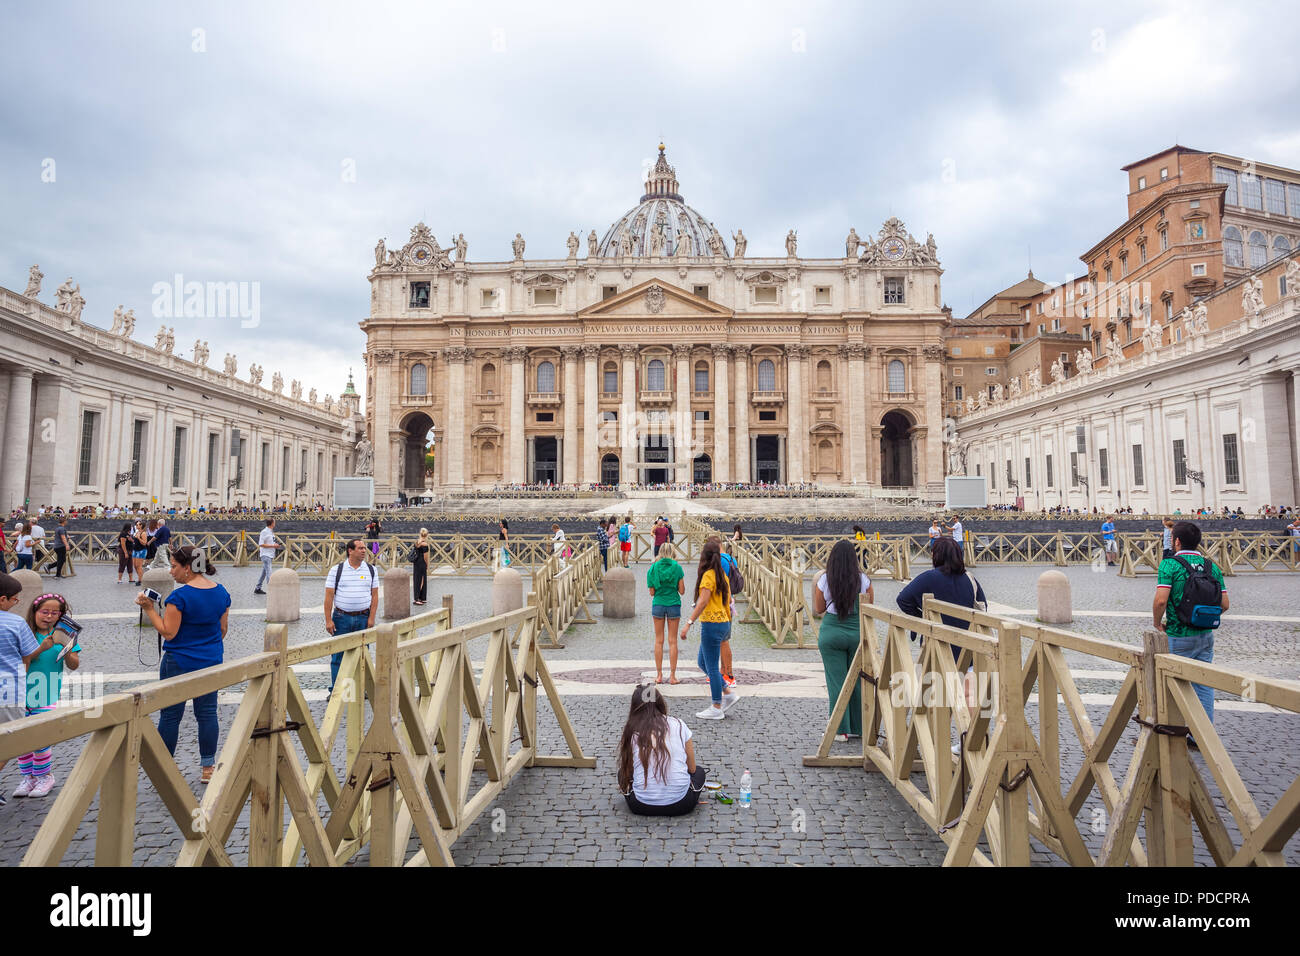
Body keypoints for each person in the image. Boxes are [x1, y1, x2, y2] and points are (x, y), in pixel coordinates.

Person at [135, 545, 231, 784]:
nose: (170, 571)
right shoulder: (221, 592)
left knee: (170, 715)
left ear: (187, 568)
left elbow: (168, 633)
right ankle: (208, 767)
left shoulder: (179, 597)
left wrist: (149, 609)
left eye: (175, 566)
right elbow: (222, 630)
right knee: (207, 713)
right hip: (210, 659)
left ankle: (163, 767)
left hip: (178, 660)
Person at [896, 537, 987, 739]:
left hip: (936, 648)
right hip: (967, 648)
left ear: (936, 555)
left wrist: (923, 620)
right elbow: (983, 609)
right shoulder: (970, 579)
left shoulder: (929, 578)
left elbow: (903, 599)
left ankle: (932, 745)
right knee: (970, 697)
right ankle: (973, 743)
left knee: (930, 697)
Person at [1154, 521, 1229, 742]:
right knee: (1203, 684)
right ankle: (1201, 736)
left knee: (1172, 683)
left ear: (1176, 541)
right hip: (1206, 635)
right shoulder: (1211, 566)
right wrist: (1203, 619)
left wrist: (1158, 623)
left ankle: (1170, 732)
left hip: (1178, 634)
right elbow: (1225, 604)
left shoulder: (1169, 565)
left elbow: (1160, 601)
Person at [14, 593, 81, 797]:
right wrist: (41, 648)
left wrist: (67, 650)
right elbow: (19, 661)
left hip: (46, 692)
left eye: (55, 613)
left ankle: (45, 777)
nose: (49, 616)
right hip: (20, 694)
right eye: (45, 612)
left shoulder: (65, 634)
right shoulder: (25, 633)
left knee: (41, 738)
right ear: (34, 612)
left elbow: (74, 665)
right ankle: (29, 778)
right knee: (20, 740)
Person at [814, 540, 873, 742]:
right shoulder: (864, 580)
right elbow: (869, 608)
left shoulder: (825, 580)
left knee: (836, 682)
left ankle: (840, 730)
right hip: (857, 631)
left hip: (832, 632)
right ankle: (859, 727)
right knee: (857, 680)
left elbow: (819, 609)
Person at [617, 684, 706, 816]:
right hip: (682, 803)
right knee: (699, 772)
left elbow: (628, 772)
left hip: (640, 805)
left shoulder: (631, 731)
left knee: (621, 773)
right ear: (660, 702)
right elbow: (692, 769)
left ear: (634, 707)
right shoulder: (679, 724)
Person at [679, 539, 736, 720]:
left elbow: (703, 601)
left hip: (711, 624)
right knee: (702, 662)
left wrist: (688, 623)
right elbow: (727, 601)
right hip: (723, 622)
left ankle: (716, 706)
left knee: (711, 666)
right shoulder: (722, 575)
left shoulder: (708, 576)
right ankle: (727, 692)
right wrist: (727, 621)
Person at [0, 573, 41, 806]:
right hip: (9, 691)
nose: (17, 603)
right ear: (2, 599)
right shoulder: (15, 623)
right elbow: (29, 653)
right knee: (9, 741)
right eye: (15, 599)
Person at [323, 540, 378, 692]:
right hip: (341, 618)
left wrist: (372, 618)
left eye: (364, 548)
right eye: (360, 548)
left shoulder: (372, 570)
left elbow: (375, 596)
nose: (364, 551)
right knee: (338, 656)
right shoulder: (336, 570)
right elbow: (328, 597)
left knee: (363, 655)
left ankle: (361, 690)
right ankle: (336, 690)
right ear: (350, 551)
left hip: (363, 618)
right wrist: (328, 620)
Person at [646, 542, 685, 684]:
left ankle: (659, 675)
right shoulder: (677, 567)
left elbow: (651, 592)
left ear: (660, 552)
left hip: (658, 604)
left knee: (658, 640)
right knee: (673, 641)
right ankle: (673, 676)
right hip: (673, 603)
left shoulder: (654, 568)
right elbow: (681, 591)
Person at [254, 518, 281, 595]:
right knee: (269, 572)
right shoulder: (264, 532)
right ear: (272, 523)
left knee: (264, 572)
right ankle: (271, 590)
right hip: (265, 555)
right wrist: (273, 545)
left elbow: (271, 542)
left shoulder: (271, 532)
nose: (275, 523)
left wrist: (275, 545)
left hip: (270, 554)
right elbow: (261, 544)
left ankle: (258, 588)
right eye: (274, 522)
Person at [412, 528, 429, 605]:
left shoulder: (416, 542)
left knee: (416, 579)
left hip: (416, 562)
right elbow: (426, 557)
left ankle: (420, 597)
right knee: (421, 580)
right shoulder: (425, 544)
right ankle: (418, 598)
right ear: (426, 535)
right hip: (422, 562)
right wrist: (427, 565)